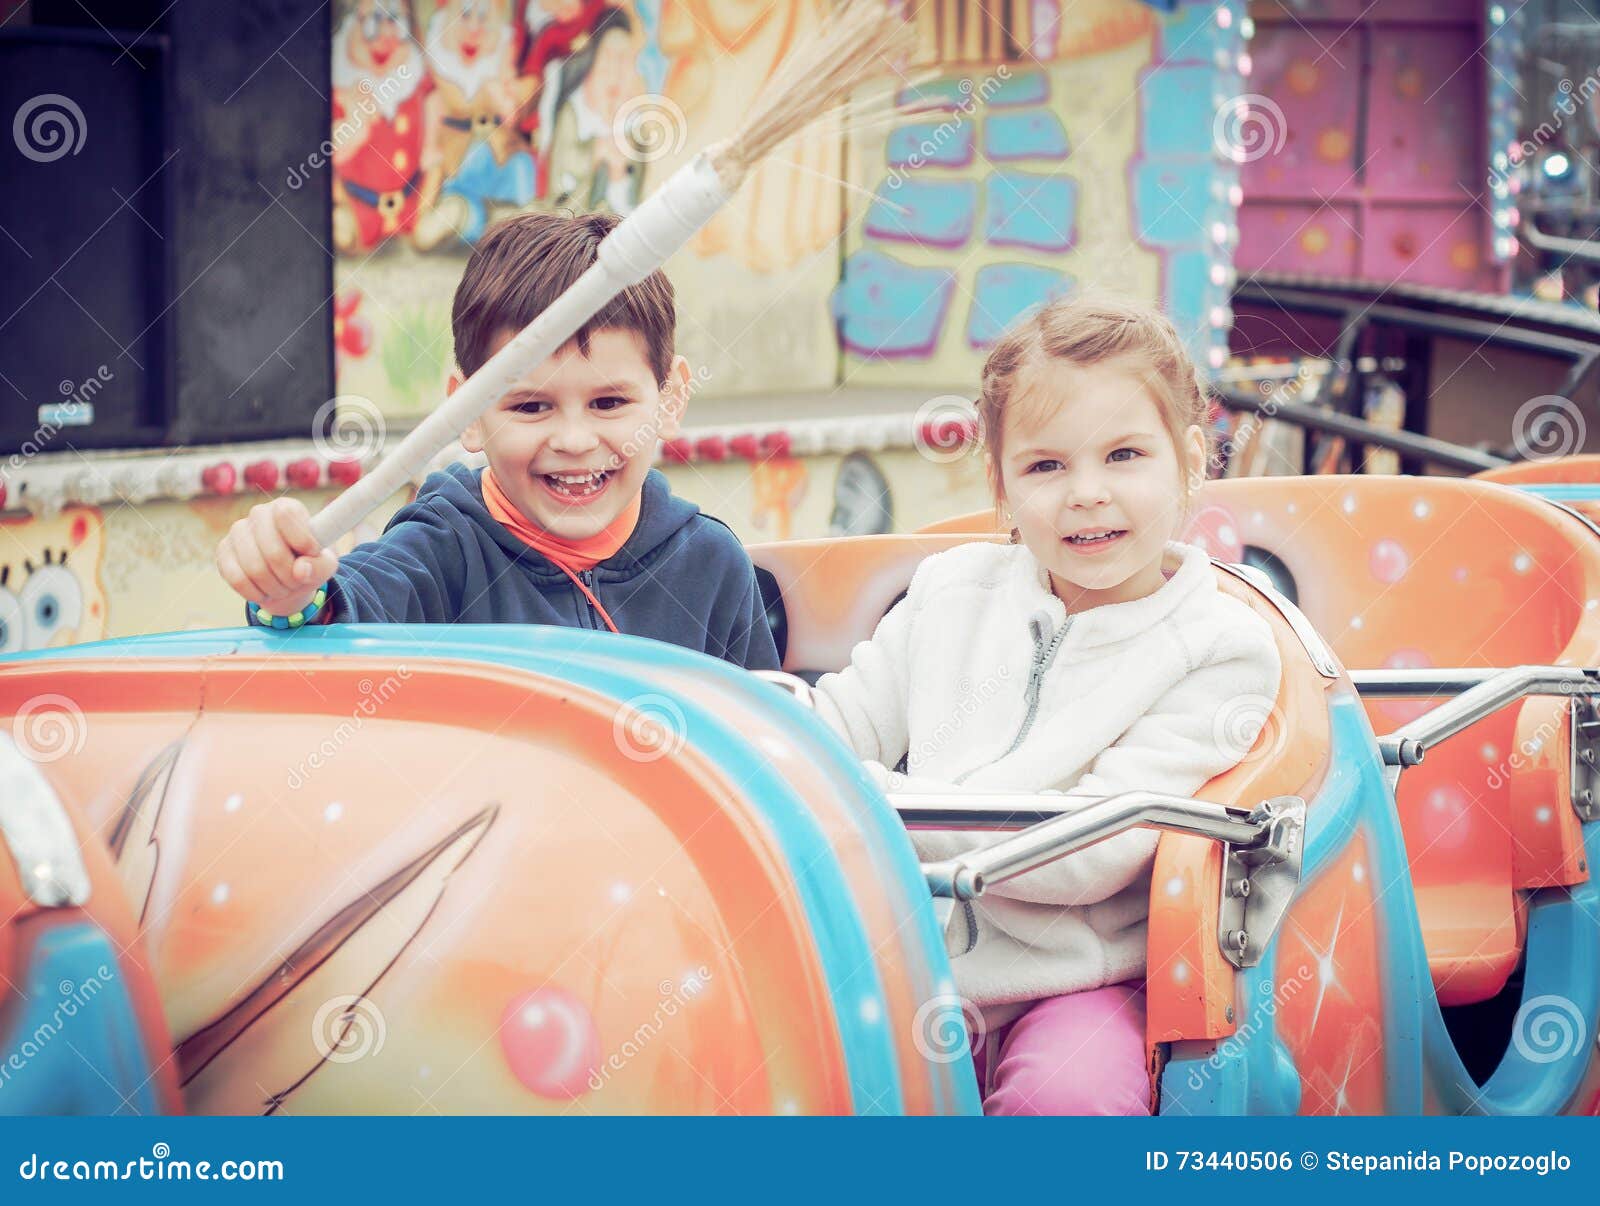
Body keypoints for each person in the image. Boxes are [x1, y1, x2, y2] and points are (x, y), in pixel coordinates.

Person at [811, 292, 1282, 1114]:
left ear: (1193, 461)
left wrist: (875, 804)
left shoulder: (1221, 648)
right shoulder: (950, 589)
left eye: (1125, 455)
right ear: (1000, 482)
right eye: (1046, 466)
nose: (1087, 493)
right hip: (911, 951)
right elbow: (832, 730)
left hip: (1083, 976)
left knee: (1065, 1102)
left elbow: (1089, 853)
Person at [215, 210, 779, 671]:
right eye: (531, 406)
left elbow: (767, 752)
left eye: (609, 403)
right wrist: (291, 595)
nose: (575, 440)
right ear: (469, 413)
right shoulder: (438, 553)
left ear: (671, 398)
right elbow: (344, 612)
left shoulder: (711, 564)